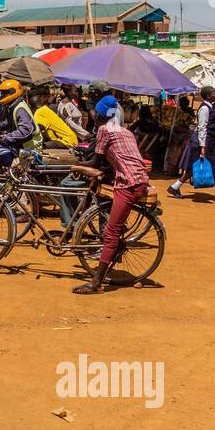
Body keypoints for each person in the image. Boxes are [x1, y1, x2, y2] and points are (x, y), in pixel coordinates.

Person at [71, 95, 152, 295]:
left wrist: (75, 166)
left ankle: (96, 282)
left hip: (130, 184)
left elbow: (95, 163)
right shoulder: (126, 131)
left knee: (111, 232)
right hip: (138, 179)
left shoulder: (104, 130)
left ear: (97, 114)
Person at [169, 86, 215, 199]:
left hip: (208, 141)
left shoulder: (210, 107)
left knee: (212, 164)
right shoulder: (204, 109)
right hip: (203, 140)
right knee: (198, 165)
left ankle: (175, 187)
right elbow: (202, 127)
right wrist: (202, 146)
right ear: (208, 96)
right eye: (214, 93)